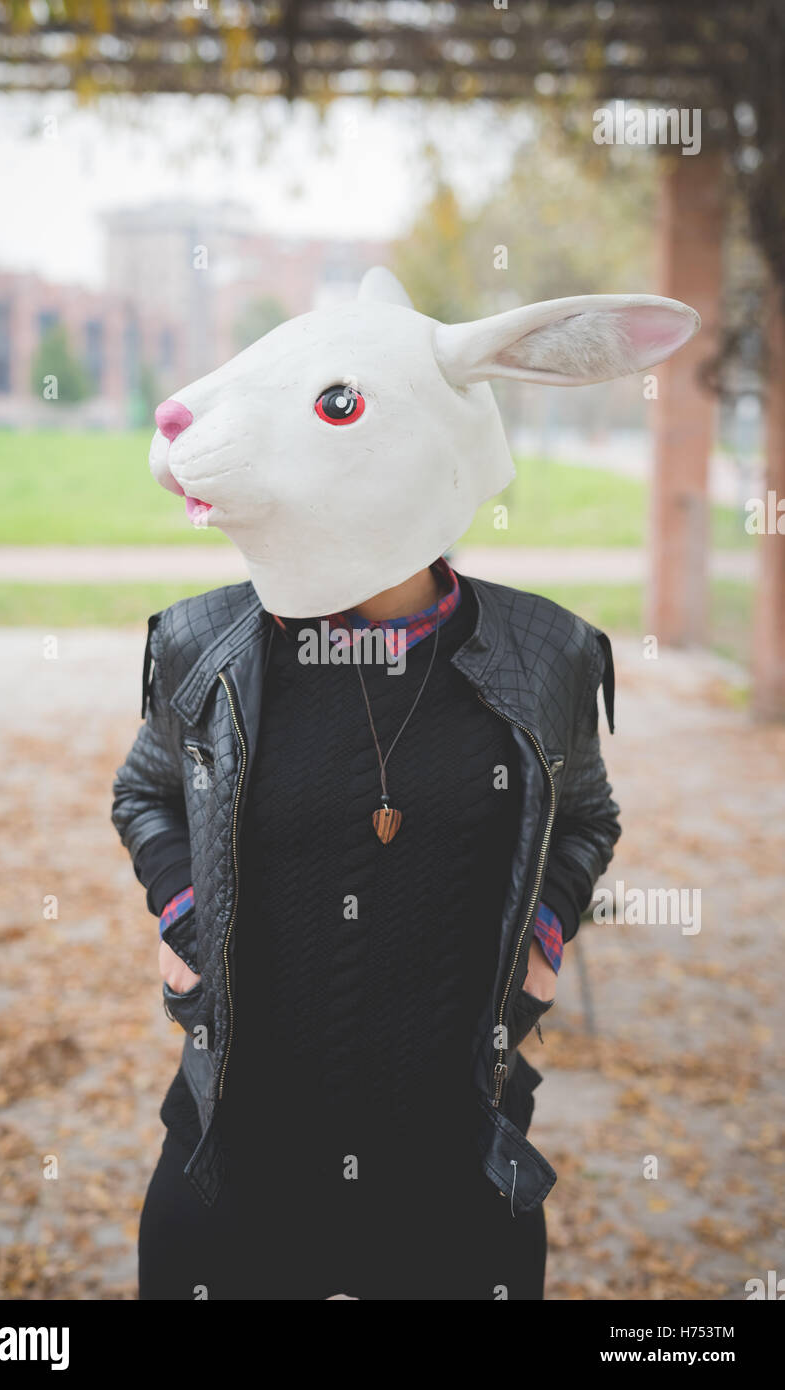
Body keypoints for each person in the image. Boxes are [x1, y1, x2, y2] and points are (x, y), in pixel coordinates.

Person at [111, 269, 697, 1299]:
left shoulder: (546, 655)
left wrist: (546, 946)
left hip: (456, 1152)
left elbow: (589, 816)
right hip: (236, 1145)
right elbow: (145, 792)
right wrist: (183, 916)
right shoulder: (203, 647)